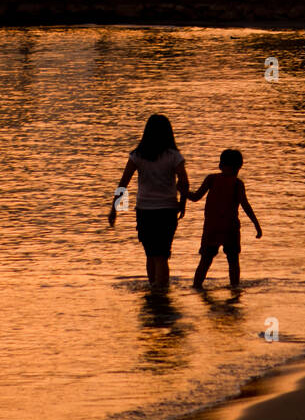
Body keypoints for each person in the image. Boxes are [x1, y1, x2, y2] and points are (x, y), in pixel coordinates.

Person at [108, 113, 189, 290]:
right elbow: (184, 181)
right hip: (167, 210)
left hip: (145, 210)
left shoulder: (138, 156)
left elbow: (123, 183)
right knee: (162, 255)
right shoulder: (174, 156)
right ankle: (161, 292)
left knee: (151, 254)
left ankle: (154, 290)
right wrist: (182, 202)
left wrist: (114, 208)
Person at [188, 149, 261, 290]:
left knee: (205, 260)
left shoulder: (212, 179)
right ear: (239, 167)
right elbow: (245, 205)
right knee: (233, 261)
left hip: (212, 228)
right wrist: (256, 225)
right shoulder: (237, 183)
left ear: (220, 165)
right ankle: (235, 289)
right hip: (230, 229)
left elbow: (195, 197)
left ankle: (196, 287)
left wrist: (182, 191)